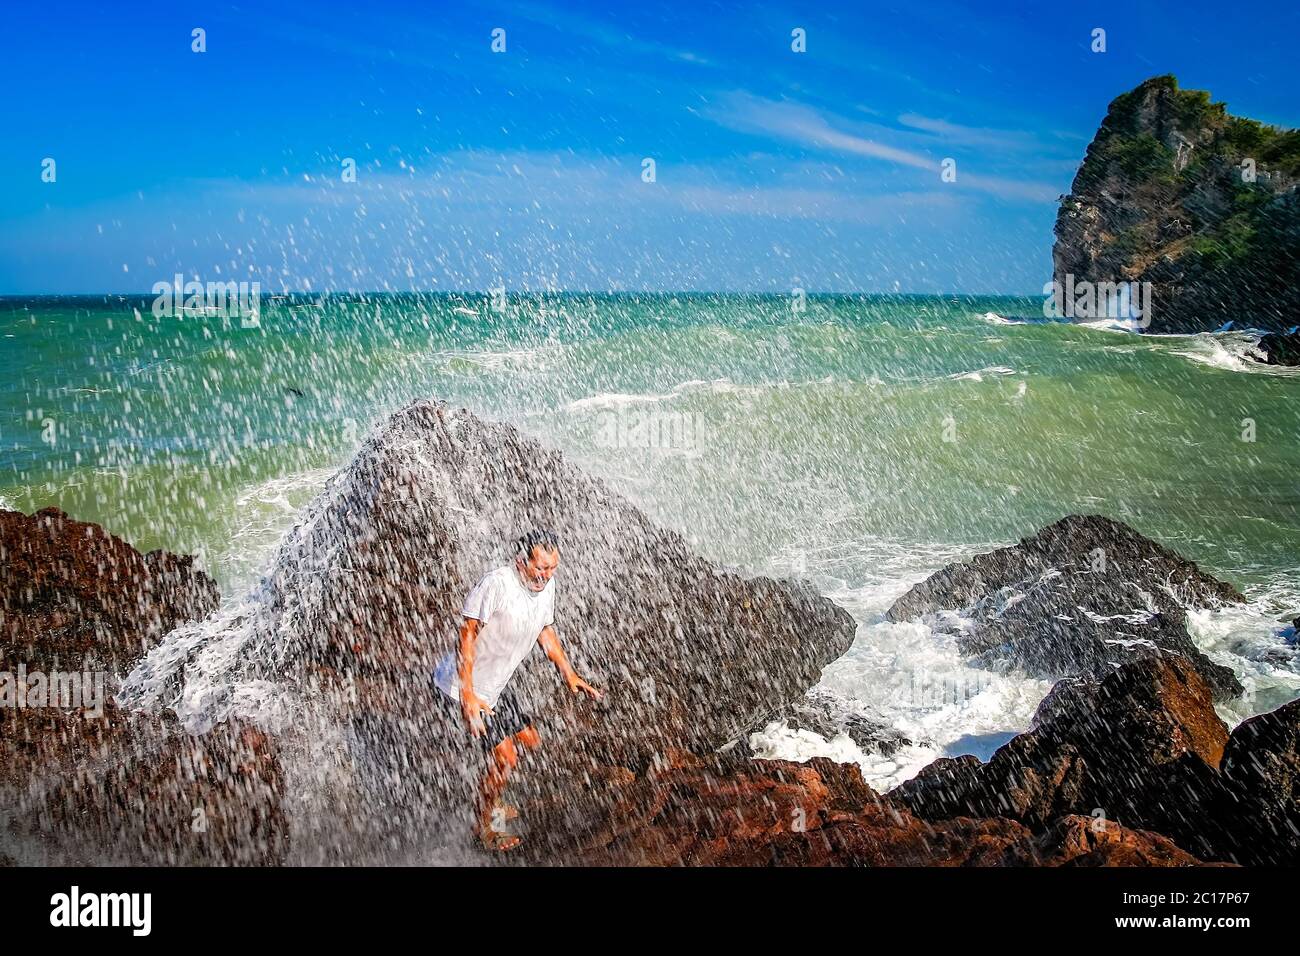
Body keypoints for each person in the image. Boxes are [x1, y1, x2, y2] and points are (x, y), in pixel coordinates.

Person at [432, 529, 602, 851]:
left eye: (552, 568)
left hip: (494, 688)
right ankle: (484, 826)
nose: (546, 576)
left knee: (528, 740)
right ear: (520, 560)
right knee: (505, 756)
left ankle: (491, 794)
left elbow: (544, 629)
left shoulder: (546, 585)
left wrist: (569, 674)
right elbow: (466, 635)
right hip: (458, 687)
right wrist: (468, 696)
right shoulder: (497, 584)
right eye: (540, 568)